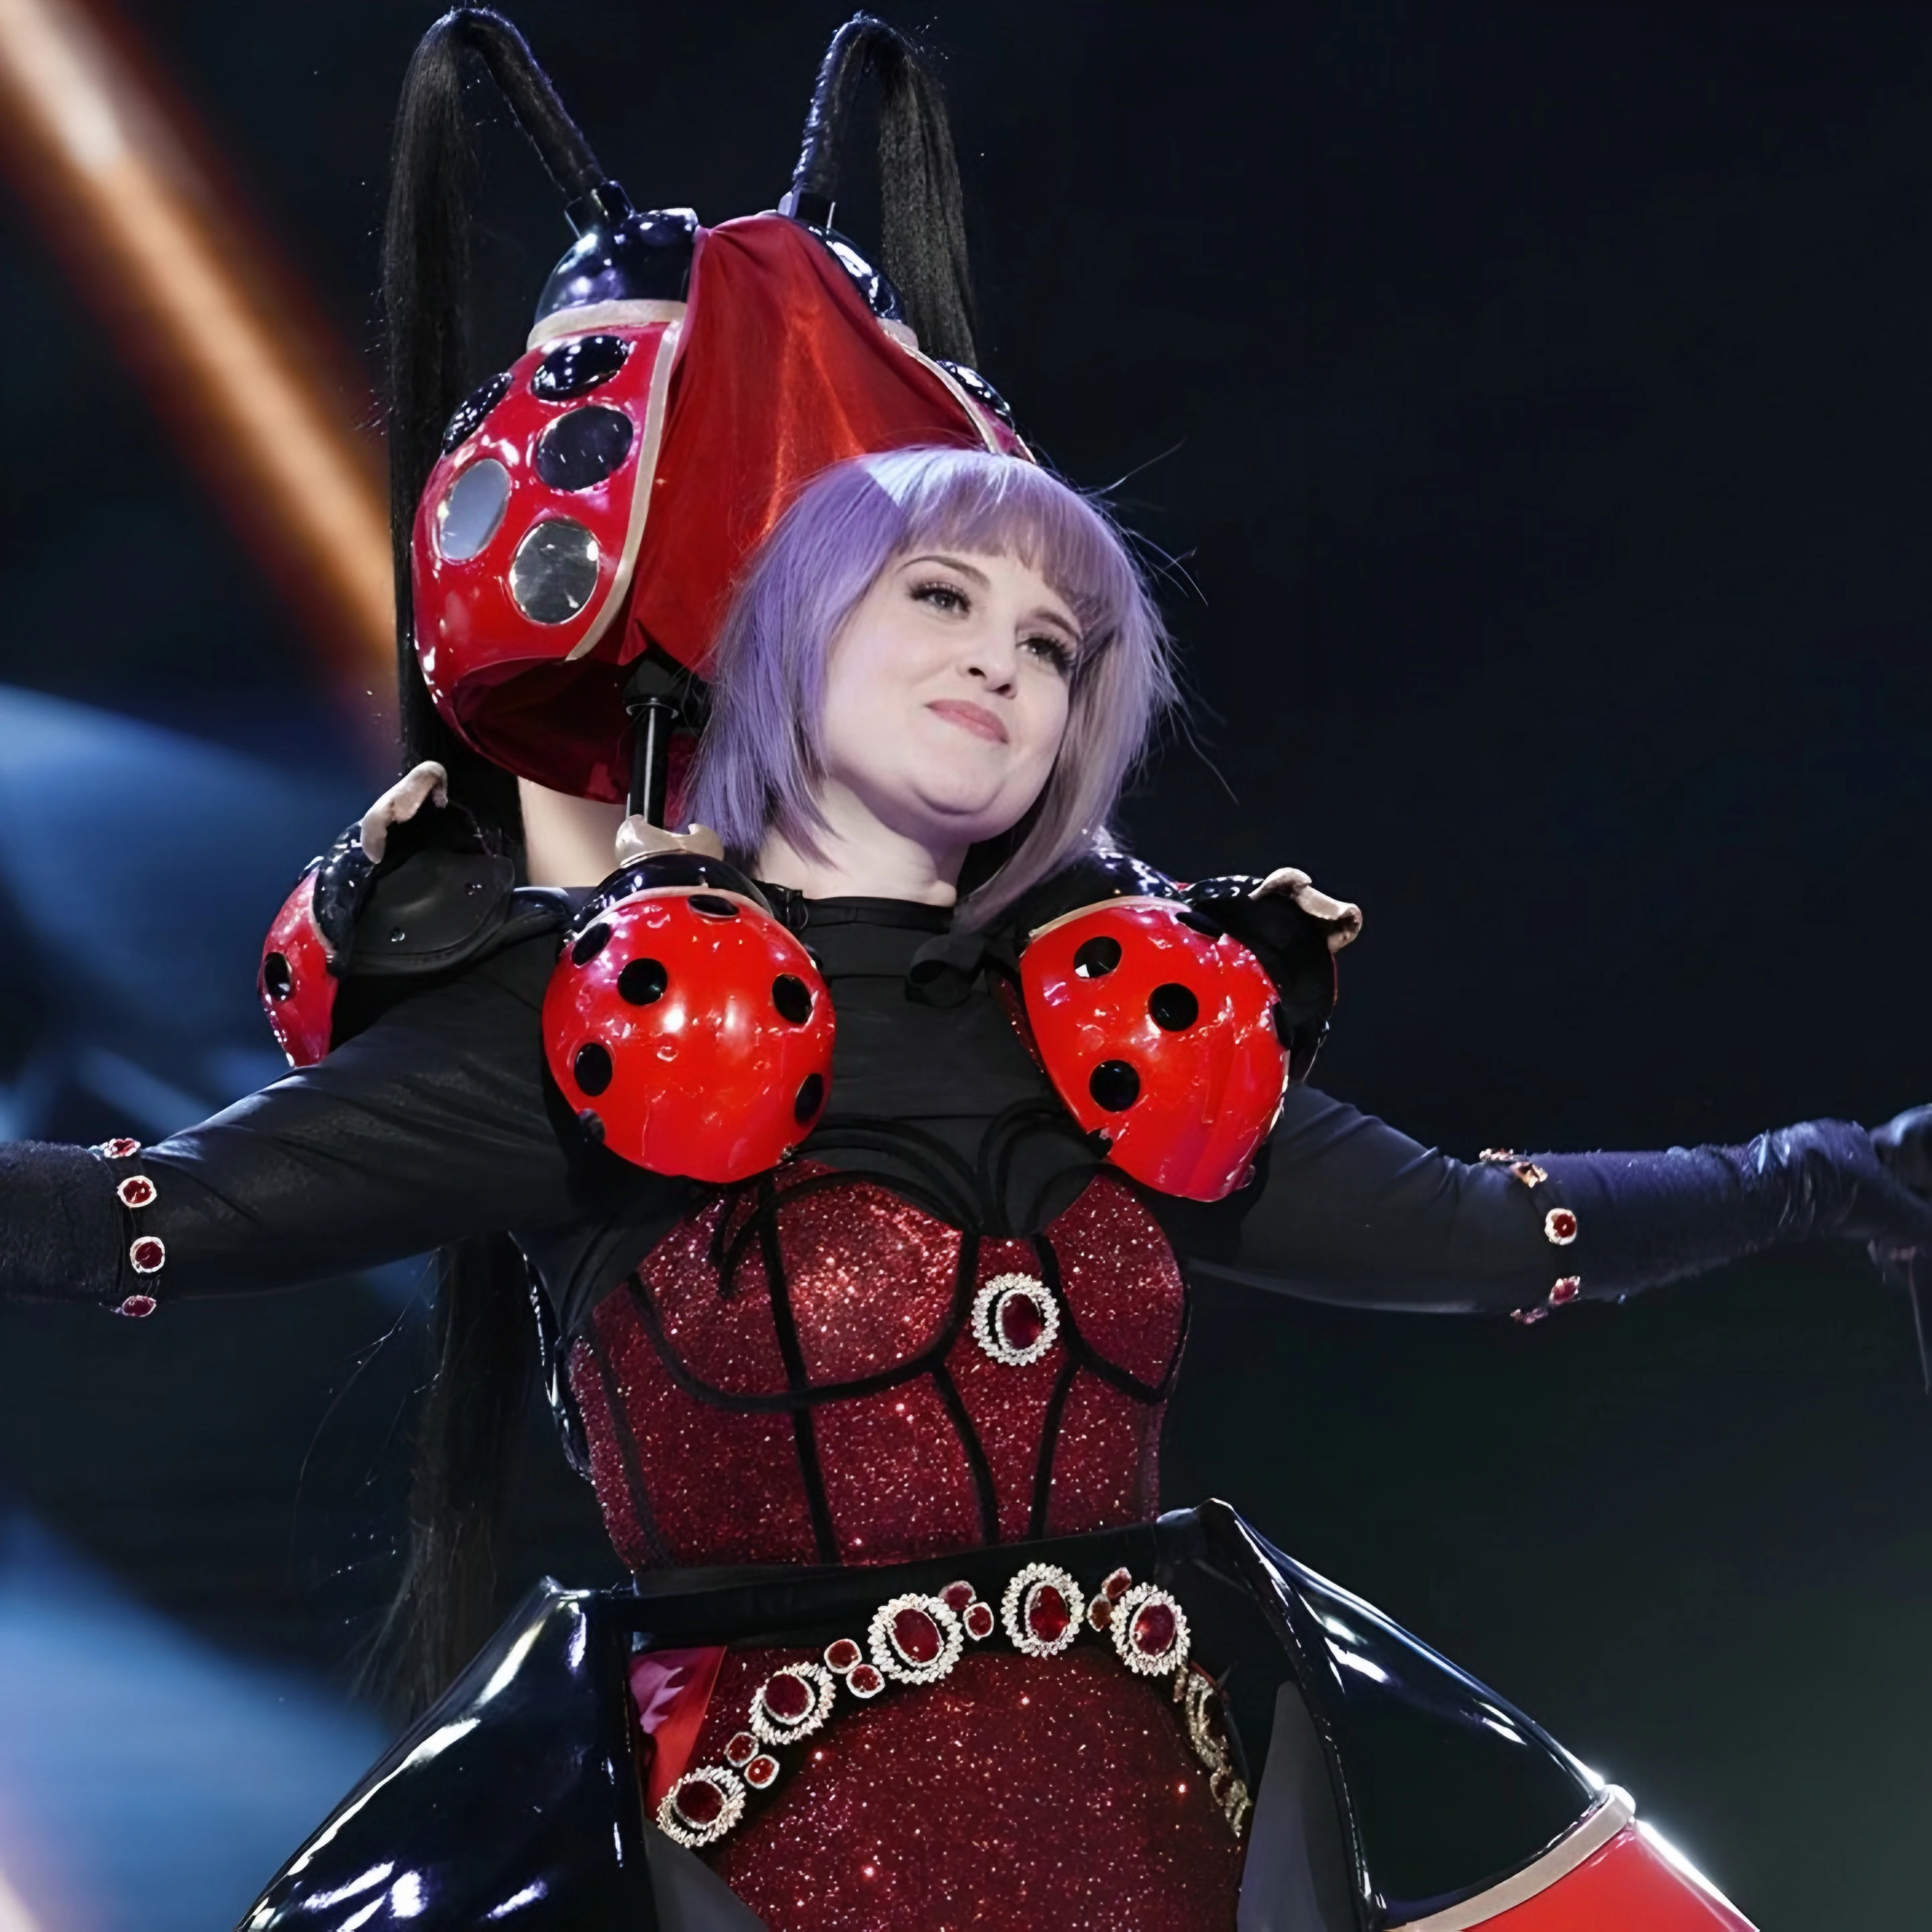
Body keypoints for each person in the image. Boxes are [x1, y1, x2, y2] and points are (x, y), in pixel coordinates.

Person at [4, 445, 1928, 1932]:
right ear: (795, 633)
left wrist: (1844, 1176)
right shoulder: (588, 1014)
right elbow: (140, 1220)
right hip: (747, 1863)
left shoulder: (1131, 1038)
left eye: (1053, 647)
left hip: (1183, 1841)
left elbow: (1499, 1236)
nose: (1003, 660)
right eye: (943, 595)